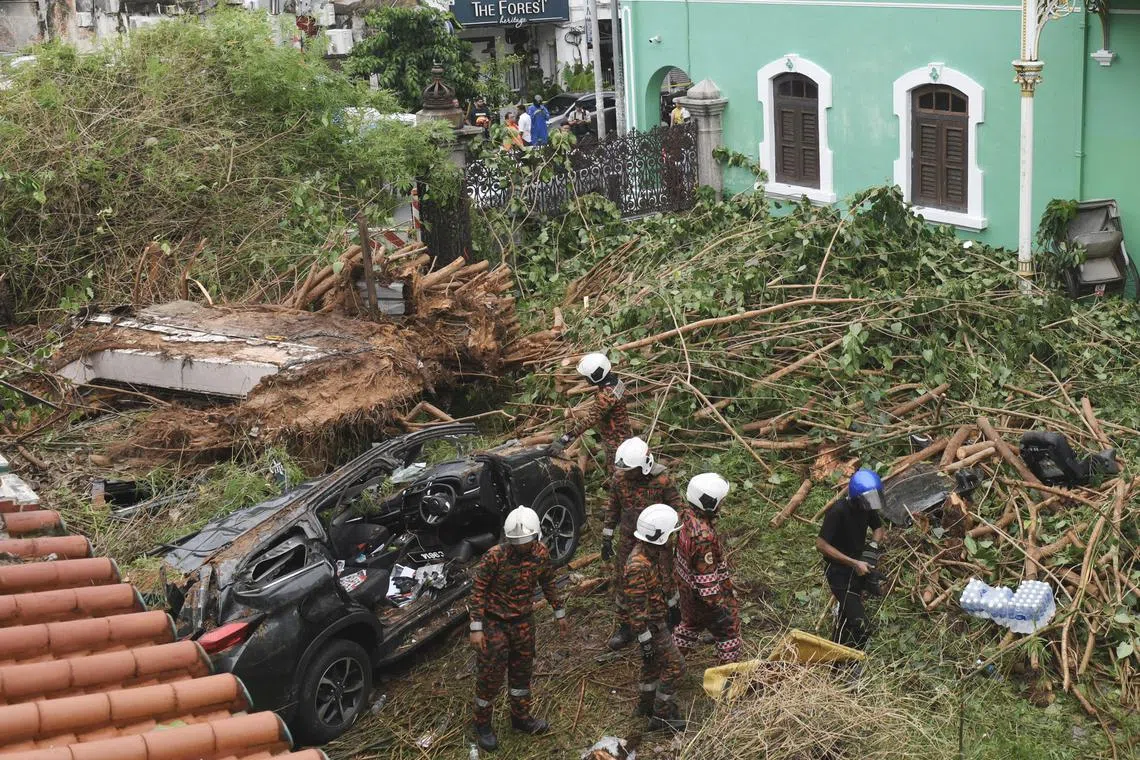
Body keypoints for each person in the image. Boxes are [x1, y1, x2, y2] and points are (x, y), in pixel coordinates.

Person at [470, 506, 570, 751]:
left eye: (525, 542)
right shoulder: (495, 556)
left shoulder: (541, 553)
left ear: (535, 537)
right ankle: (482, 724)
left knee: (521, 673)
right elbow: (478, 591)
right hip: (495, 622)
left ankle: (521, 718)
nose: (521, 547)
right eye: (517, 543)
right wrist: (476, 627)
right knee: (490, 675)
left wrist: (559, 611)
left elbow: (548, 581)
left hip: (524, 622)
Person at [602, 436, 681, 651]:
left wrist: (675, 535)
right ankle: (626, 626)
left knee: (665, 577)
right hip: (628, 539)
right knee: (623, 580)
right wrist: (607, 536)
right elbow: (613, 508)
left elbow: (677, 509)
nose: (627, 473)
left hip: (658, 541)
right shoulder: (620, 479)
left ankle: (671, 619)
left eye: (631, 469)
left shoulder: (662, 480)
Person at [625, 503, 687, 732]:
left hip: (656, 622)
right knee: (676, 667)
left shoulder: (652, 555)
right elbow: (636, 607)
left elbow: (662, 586)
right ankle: (661, 717)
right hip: (651, 627)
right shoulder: (637, 566)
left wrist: (672, 607)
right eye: (669, 534)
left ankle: (646, 704)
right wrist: (645, 640)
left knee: (651, 667)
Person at [673, 472, 744, 664]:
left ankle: (668, 665)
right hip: (704, 597)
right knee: (729, 634)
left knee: (689, 625)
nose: (723, 504)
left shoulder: (685, 517)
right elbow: (706, 580)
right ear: (710, 503)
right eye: (721, 501)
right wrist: (720, 608)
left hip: (686, 589)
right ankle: (728, 676)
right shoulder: (703, 537)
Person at [816, 468, 887, 650]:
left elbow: (879, 530)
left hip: (857, 568)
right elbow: (821, 545)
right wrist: (853, 563)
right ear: (856, 498)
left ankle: (835, 651)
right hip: (838, 573)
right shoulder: (838, 511)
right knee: (860, 625)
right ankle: (853, 662)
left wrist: (872, 547)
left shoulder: (866, 506)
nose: (871, 504)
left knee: (847, 619)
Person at [549, 353, 631, 484]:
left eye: (587, 377)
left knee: (619, 479)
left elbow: (590, 420)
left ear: (595, 376)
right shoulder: (615, 382)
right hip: (624, 435)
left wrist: (564, 439)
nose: (586, 379)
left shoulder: (606, 395)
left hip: (616, 442)